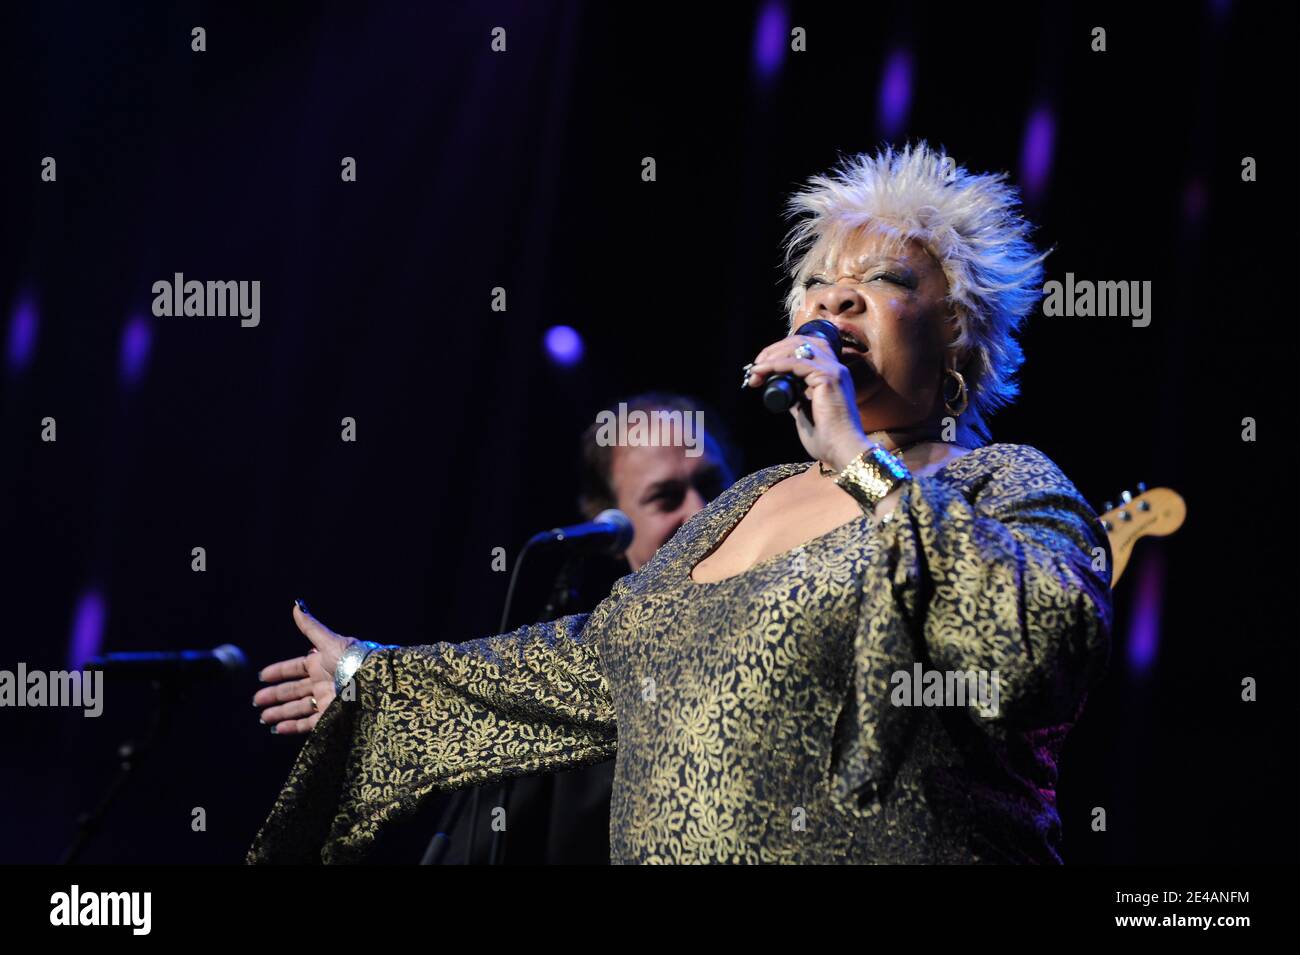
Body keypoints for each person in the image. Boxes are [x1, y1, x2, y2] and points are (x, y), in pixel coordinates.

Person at [248, 142, 1112, 864]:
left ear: (958, 328)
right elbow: (582, 664)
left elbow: (1038, 648)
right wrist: (375, 676)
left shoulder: (1000, 483)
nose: (834, 298)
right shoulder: (743, 505)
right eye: (816, 285)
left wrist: (860, 460)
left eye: (884, 278)